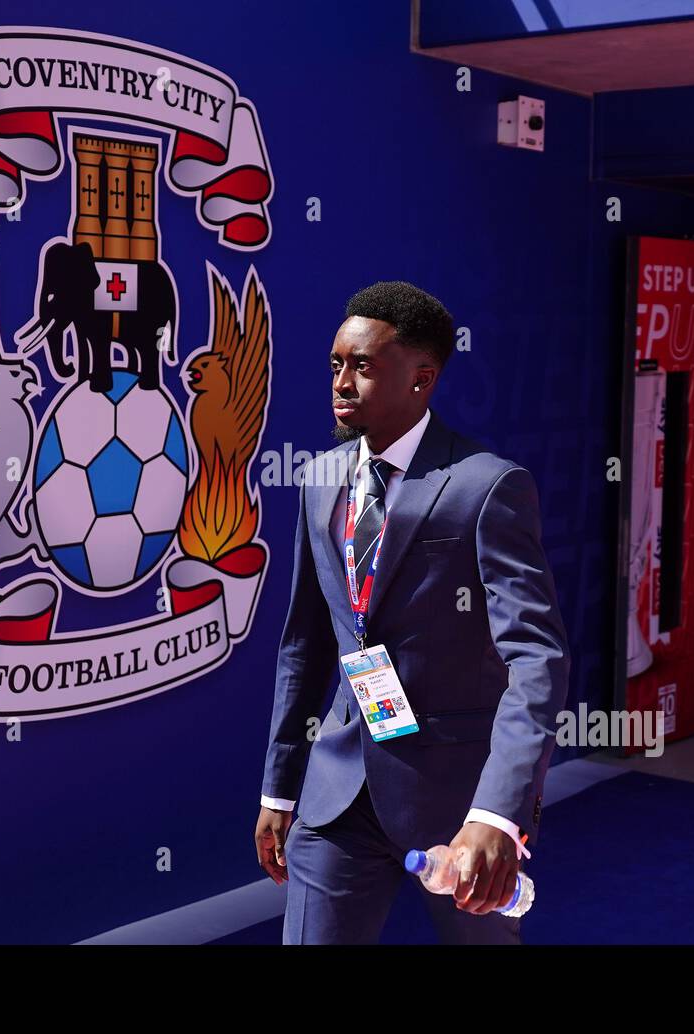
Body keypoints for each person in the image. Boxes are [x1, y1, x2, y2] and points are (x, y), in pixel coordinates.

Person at [254, 281, 571, 944]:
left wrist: (497, 813)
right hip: (336, 793)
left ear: (422, 379)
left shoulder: (487, 485)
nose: (342, 382)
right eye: (337, 364)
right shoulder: (318, 481)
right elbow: (305, 647)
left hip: (458, 805)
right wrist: (280, 789)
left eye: (363, 366)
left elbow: (535, 659)